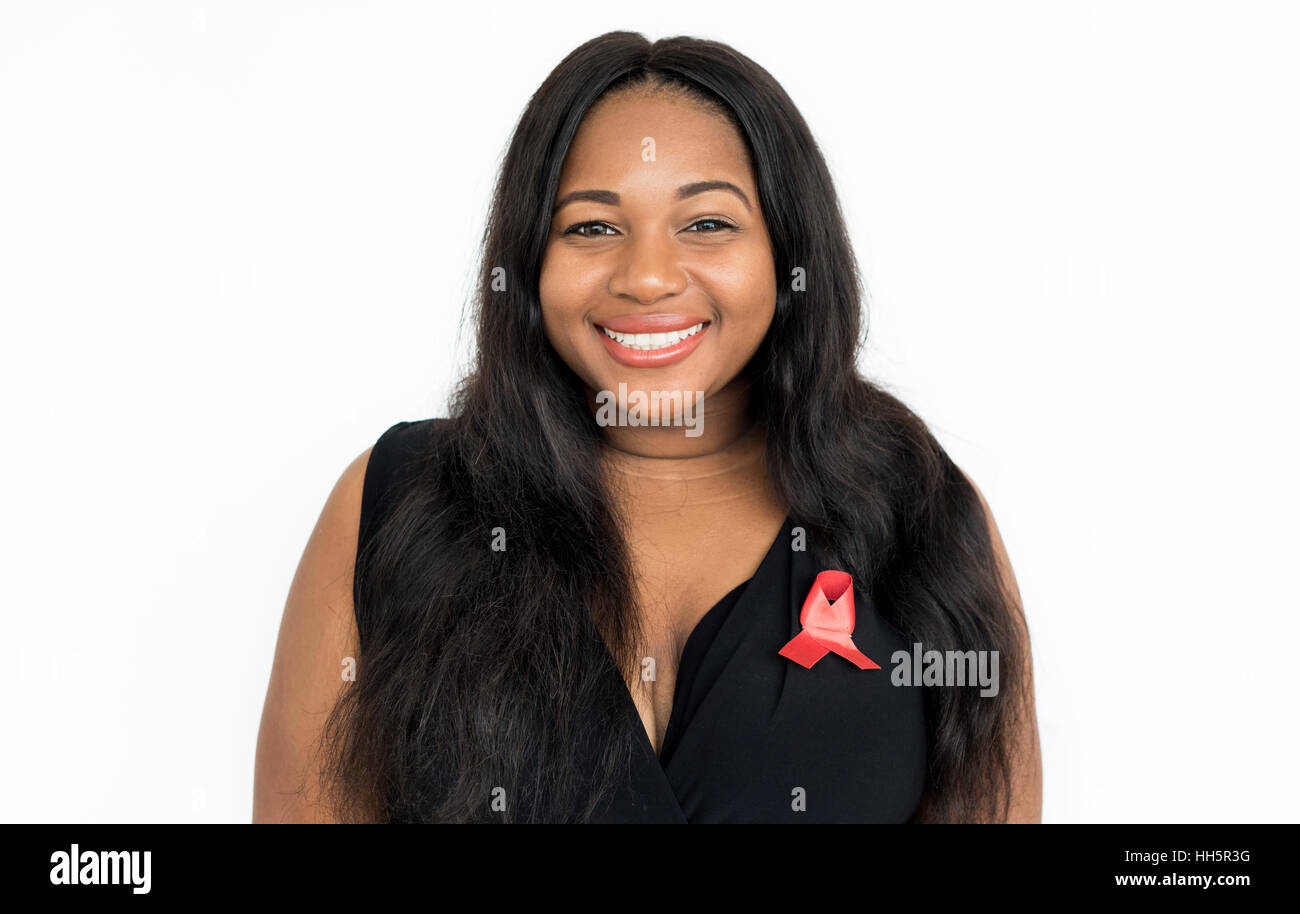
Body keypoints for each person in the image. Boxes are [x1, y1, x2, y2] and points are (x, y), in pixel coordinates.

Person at [253, 30, 1041, 823]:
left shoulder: (924, 519)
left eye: (707, 224)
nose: (648, 276)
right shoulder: (395, 506)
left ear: (788, 251)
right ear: (530, 261)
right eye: (591, 228)